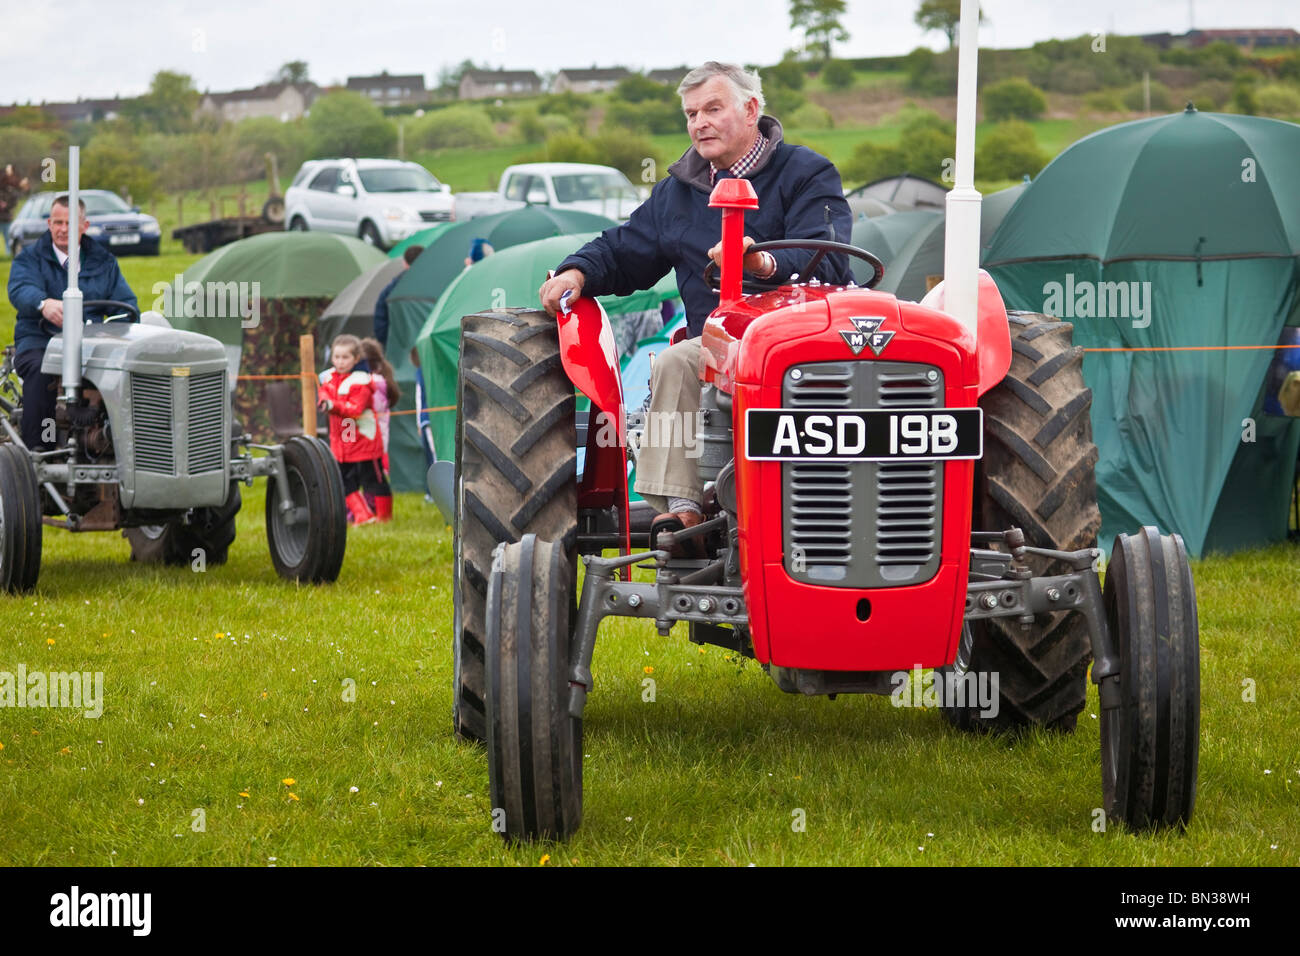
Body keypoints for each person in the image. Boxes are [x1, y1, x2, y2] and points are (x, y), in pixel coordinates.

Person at [538, 61, 851, 546]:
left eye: (712, 108)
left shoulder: (807, 173)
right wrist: (578, 269)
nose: (699, 122)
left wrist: (761, 262)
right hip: (719, 348)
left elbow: (827, 255)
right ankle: (683, 511)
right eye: (690, 114)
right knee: (676, 359)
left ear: (750, 110)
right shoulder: (677, 194)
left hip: (802, 339)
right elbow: (626, 250)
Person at [7, 193, 138, 450]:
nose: (63, 230)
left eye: (70, 223)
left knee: (131, 372)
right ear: (49, 225)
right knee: (40, 370)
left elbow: (127, 306)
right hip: (41, 339)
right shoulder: (29, 259)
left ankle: (127, 448)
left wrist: (106, 329)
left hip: (93, 346)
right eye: (57, 223)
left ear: (84, 226)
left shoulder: (105, 262)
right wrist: (43, 304)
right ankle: (39, 451)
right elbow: (20, 289)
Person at [318, 333, 391, 526]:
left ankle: (385, 519)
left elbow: (355, 410)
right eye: (337, 357)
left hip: (365, 441)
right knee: (341, 479)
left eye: (345, 357)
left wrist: (333, 405)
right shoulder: (330, 378)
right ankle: (363, 515)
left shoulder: (362, 381)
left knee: (374, 480)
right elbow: (324, 392)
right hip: (344, 442)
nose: (340, 362)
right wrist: (324, 400)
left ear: (356, 358)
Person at [359, 336, 400, 521]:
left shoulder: (375, 383)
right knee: (369, 476)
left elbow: (365, 407)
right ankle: (372, 512)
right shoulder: (376, 381)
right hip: (368, 439)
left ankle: (384, 515)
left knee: (376, 477)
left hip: (374, 441)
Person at [373, 244, 422, 351]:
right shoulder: (436, 284)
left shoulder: (393, 288)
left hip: (398, 346)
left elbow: (380, 319)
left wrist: (388, 342)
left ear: (404, 263)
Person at [0, 164, 31, 256]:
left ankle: (9, 255)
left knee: (8, 238)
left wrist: (5, 206)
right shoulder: (3, 185)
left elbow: (14, 202)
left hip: (6, 218)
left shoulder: (12, 191)